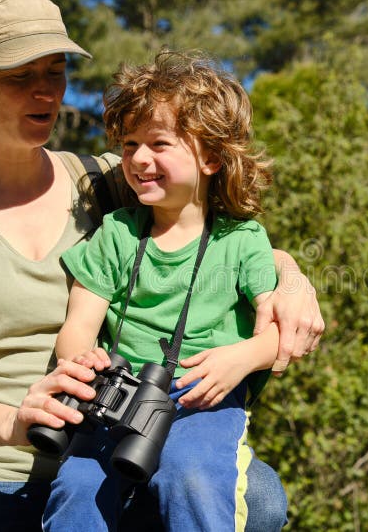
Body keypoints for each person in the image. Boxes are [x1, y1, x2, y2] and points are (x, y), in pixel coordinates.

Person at [0, 0, 323, 531]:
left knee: (259, 502)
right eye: (21, 76)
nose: (45, 91)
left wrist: (291, 277)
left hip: (124, 450)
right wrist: (14, 423)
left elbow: (214, 233)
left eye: (56, 71)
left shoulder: (111, 180)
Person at [42, 50, 286, 532]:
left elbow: (281, 336)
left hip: (203, 403)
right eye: (129, 144)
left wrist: (241, 358)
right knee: (76, 489)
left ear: (212, 157)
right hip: (118, 402)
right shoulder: (116, 233)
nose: (138, 159)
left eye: (159, 143)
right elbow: (78, 328)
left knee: (192, 477)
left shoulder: (242, 240)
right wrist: (84, 361)